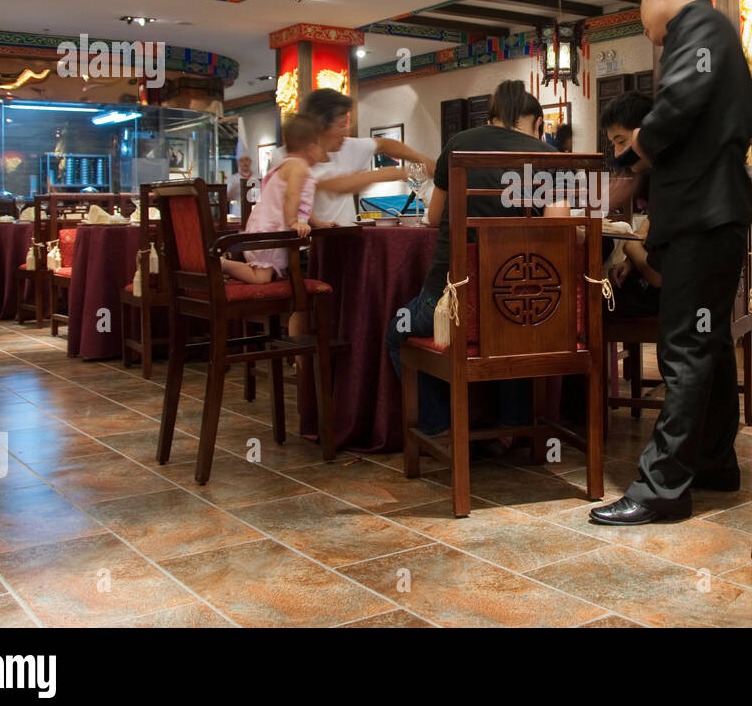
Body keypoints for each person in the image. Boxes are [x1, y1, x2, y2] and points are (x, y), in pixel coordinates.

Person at [589, 0, 752, 526]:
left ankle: (662, 487)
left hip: (702, 218)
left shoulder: (700, 25)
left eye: (643, 20)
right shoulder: (718, 34)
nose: (648, 34)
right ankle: (713, 462)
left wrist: (638, 143)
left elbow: (679, 103)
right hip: (718, 215)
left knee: (683, 348)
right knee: (706, 348)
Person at [385, 79, 563, 452]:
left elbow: (434, 218)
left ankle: (439, 428)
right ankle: (511, 426)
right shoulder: (546, 155)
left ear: (493, 113)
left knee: (397, 330)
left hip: (450, 301)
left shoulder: (459, 144)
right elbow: (557, 231)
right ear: (531, 120)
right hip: (518, 301)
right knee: (510, 327)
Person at [298, 89, 436, 226]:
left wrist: (420, 159)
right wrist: (390, 173)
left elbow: (384, 145)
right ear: (321, 126)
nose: (346, 131)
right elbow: (330, 185)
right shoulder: (295, 157)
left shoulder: (344, 147)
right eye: (341, 126)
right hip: (314, 244)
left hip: (346, 239)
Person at [221, 114, 325, 285]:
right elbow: (292, 196)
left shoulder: (287, 165)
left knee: (263, 275)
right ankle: (222, 264)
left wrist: (319, 223)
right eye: (321, 147)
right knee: (260, 277)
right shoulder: (298, 167)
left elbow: (301, 202)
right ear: (311, 148)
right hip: (268, 233)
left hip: (265, 230)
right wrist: (294, 222)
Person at [601, 92, 660, 318]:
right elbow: (651, 222)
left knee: (592, 302)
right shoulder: (656, 176)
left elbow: (659, 277)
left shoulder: (670, 182)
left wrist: (631, 248)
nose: (618, 154)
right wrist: (631, 263)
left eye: (621, 142)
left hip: (679, 302)